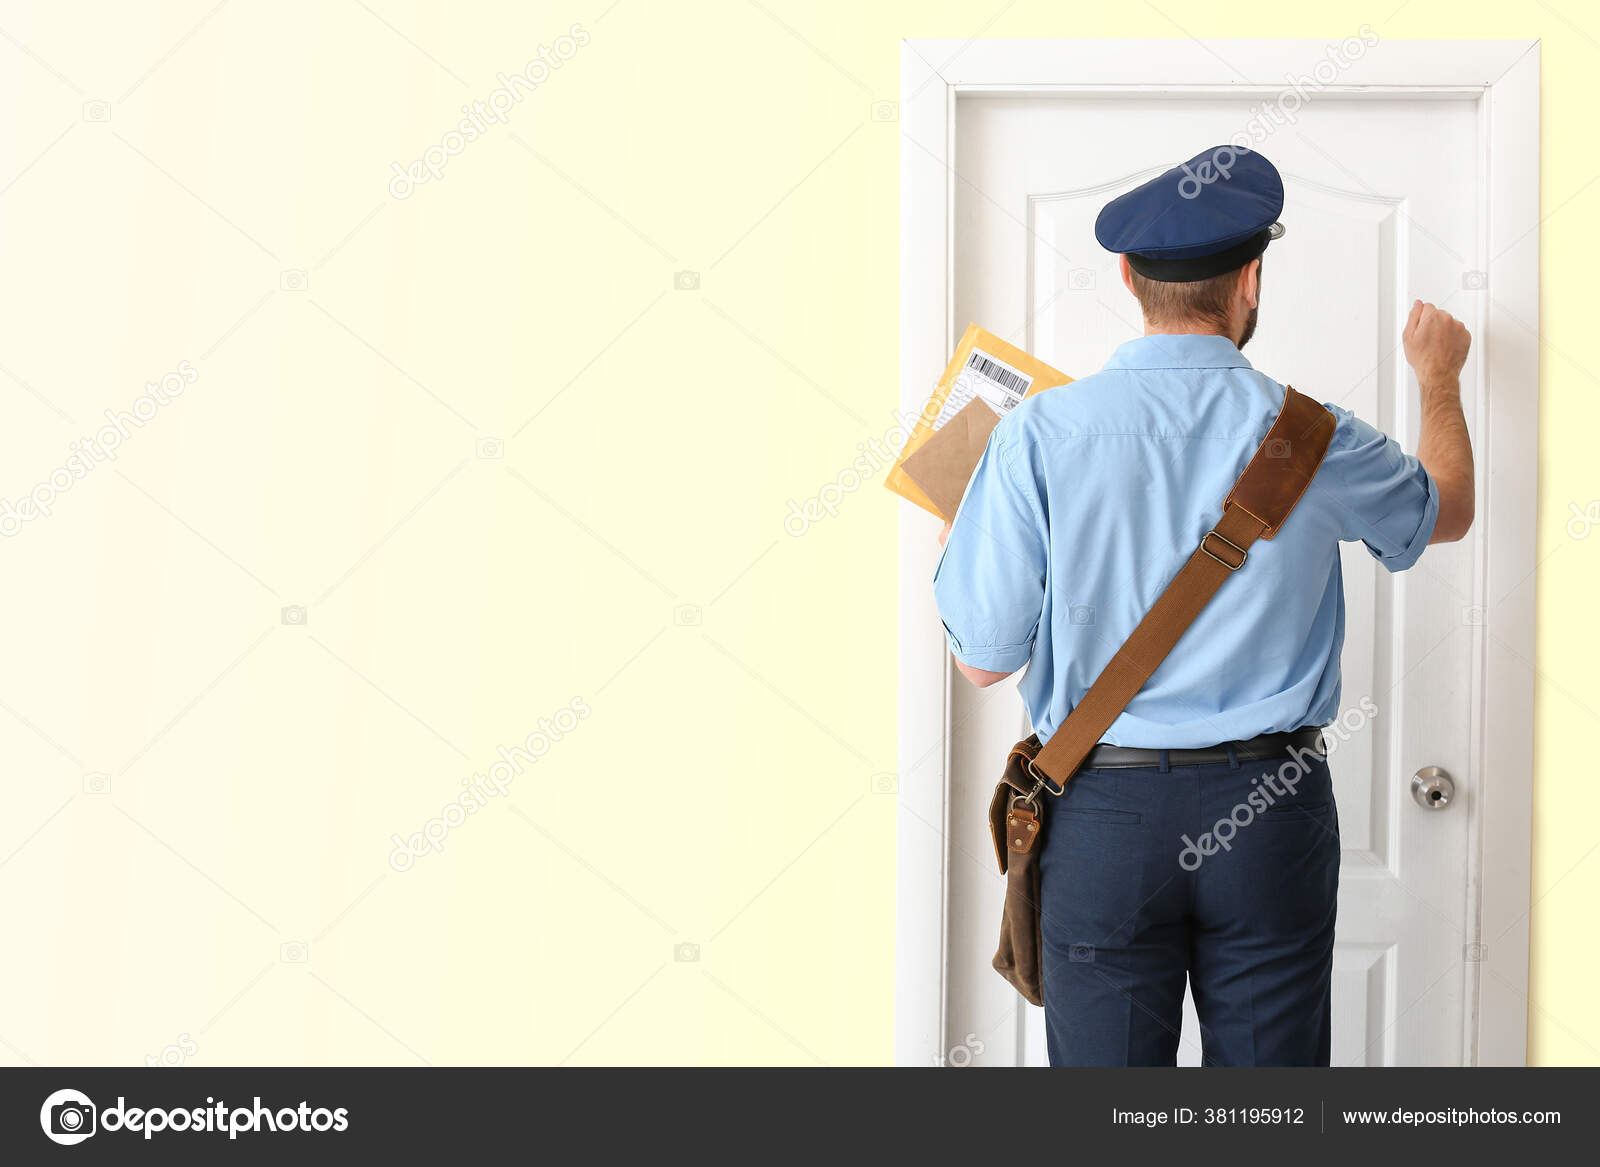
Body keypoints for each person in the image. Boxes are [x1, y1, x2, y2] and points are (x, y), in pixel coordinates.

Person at [932, 144, 1474, 1066]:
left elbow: (983, 660)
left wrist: (965, 516)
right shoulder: (1316, 436)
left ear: (1127, 277)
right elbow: (1446, 511)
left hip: (1102, 815)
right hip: (1270, 813)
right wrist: (1439, 377)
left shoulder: (1034, 438)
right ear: (1251, 280)